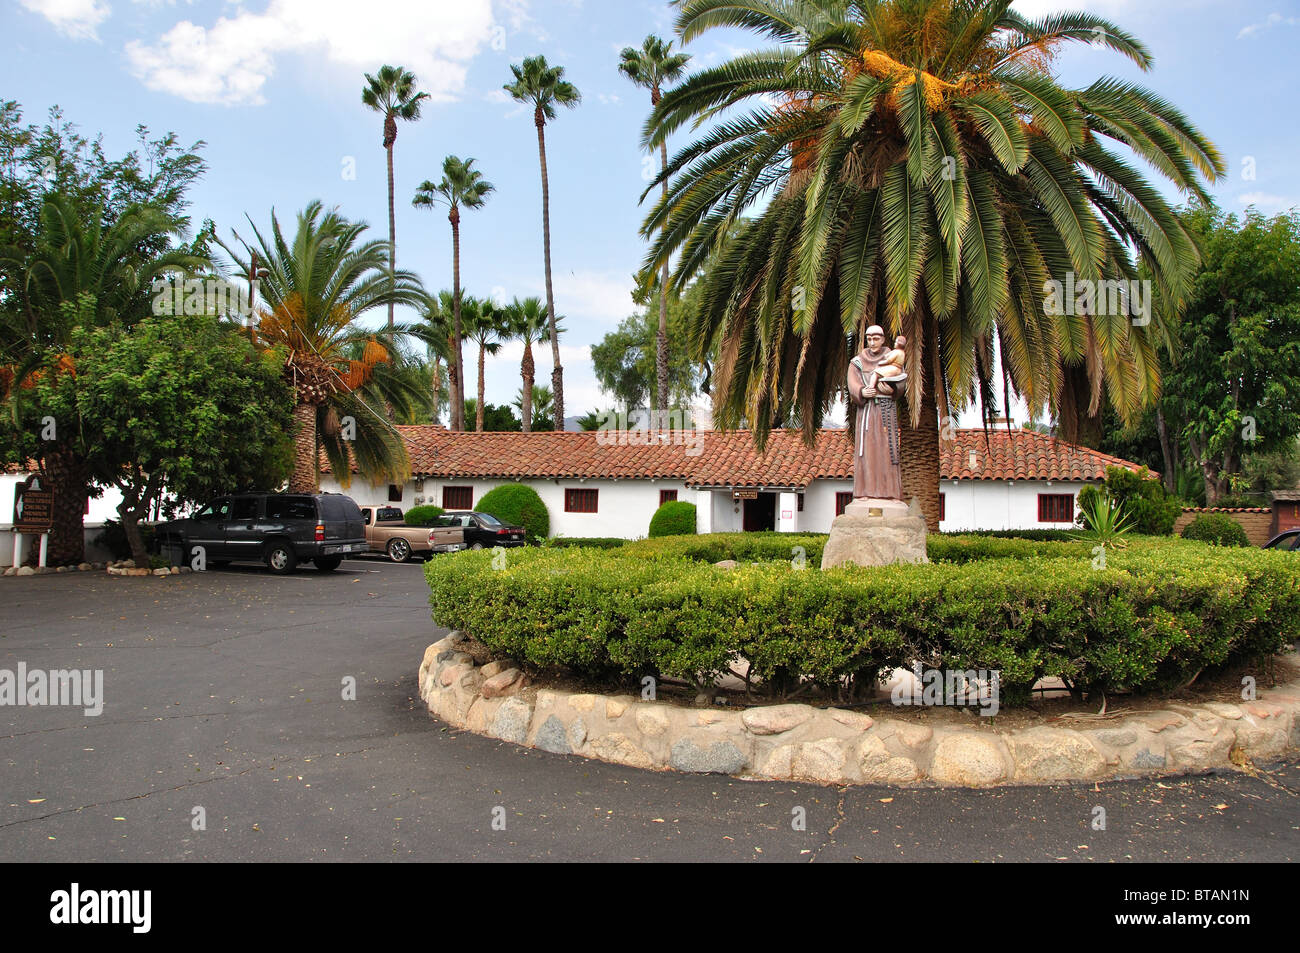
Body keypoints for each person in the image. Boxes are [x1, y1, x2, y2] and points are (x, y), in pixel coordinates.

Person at [847, 326, 904, 501]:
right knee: (867, 452)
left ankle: (890, 494)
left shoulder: (893, 357)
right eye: (869, 338)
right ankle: (864, 492)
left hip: (886, 410)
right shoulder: (857, 362)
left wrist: (892, 389)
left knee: (889, 451)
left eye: (876, 338)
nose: (872, 342)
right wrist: (862, 392)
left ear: (883, 339)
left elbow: (901, 382)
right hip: (867, 413)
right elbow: (852, 383)